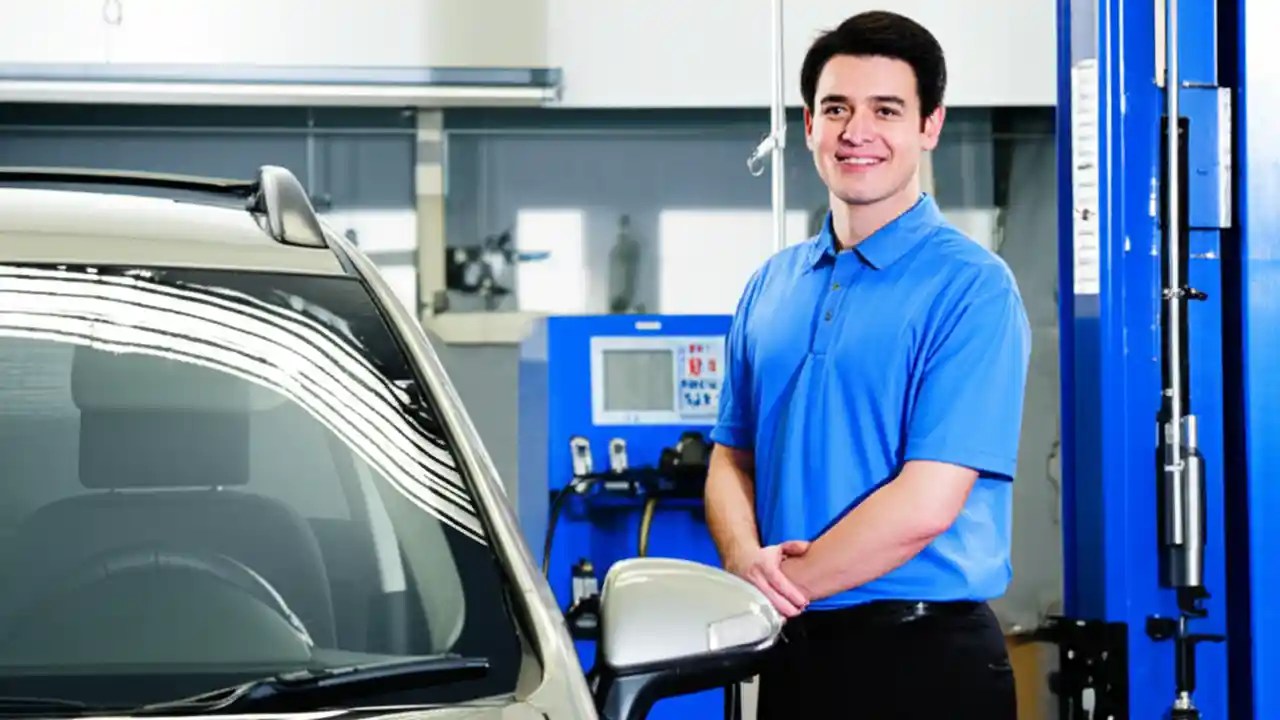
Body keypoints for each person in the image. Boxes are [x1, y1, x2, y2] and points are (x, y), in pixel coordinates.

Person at [704, 10, 1031, 719]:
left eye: (886, 109)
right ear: (810, 124)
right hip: (796, 651)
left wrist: (772, 589)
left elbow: (926, 502)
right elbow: (731, 457)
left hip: (926, 659)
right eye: (836, 108)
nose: (857, 131)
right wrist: (740, 558)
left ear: (929, 125)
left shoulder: (971, 287)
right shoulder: (771, 285)